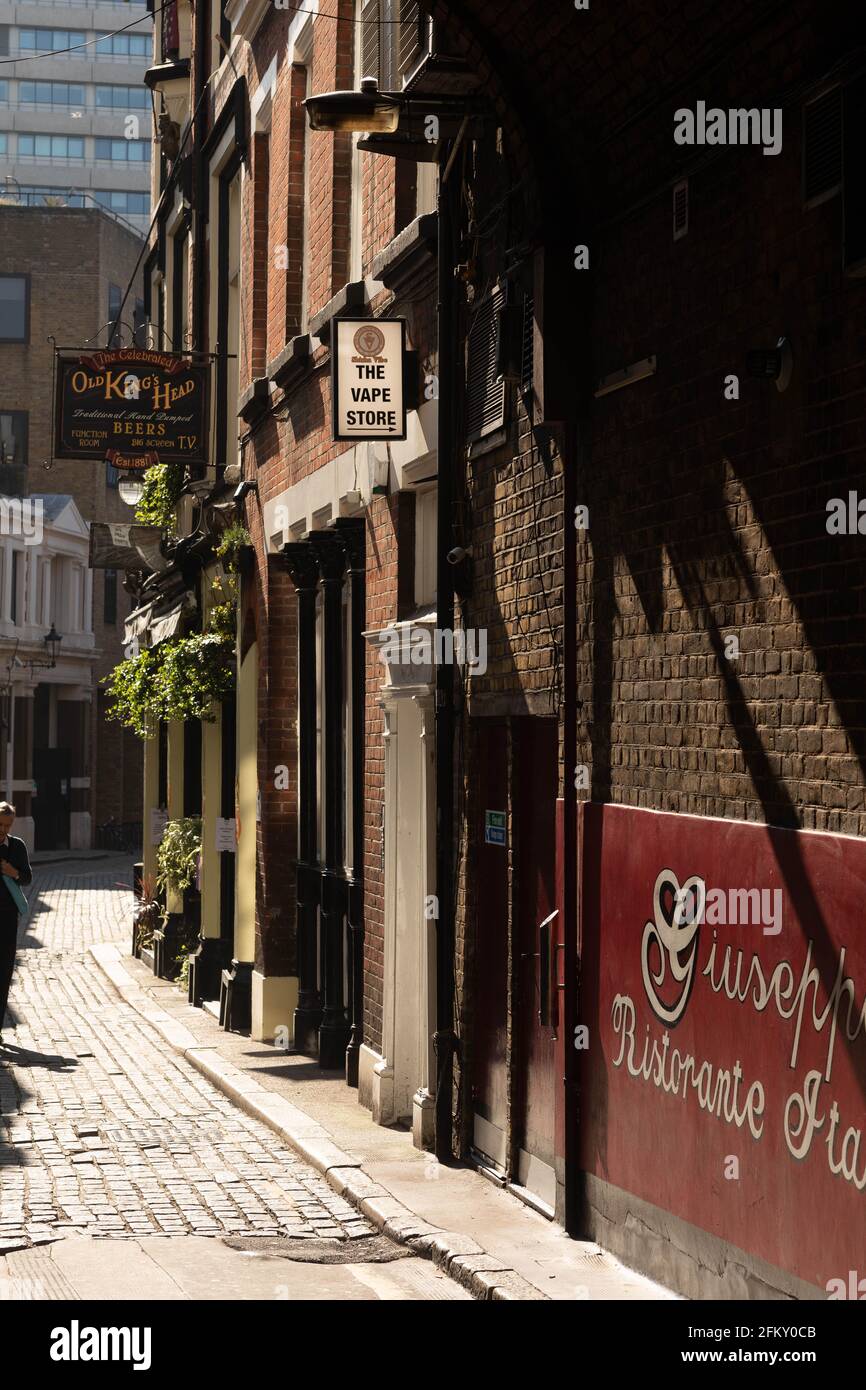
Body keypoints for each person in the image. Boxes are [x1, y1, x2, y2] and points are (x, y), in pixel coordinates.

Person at [0, 801, 32, 1038]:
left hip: (7, 919)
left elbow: (27, 878)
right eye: (0, 825)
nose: (3, 830)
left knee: (3, 973)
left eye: (7, 825)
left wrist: (14, 872)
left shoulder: (17, 846)